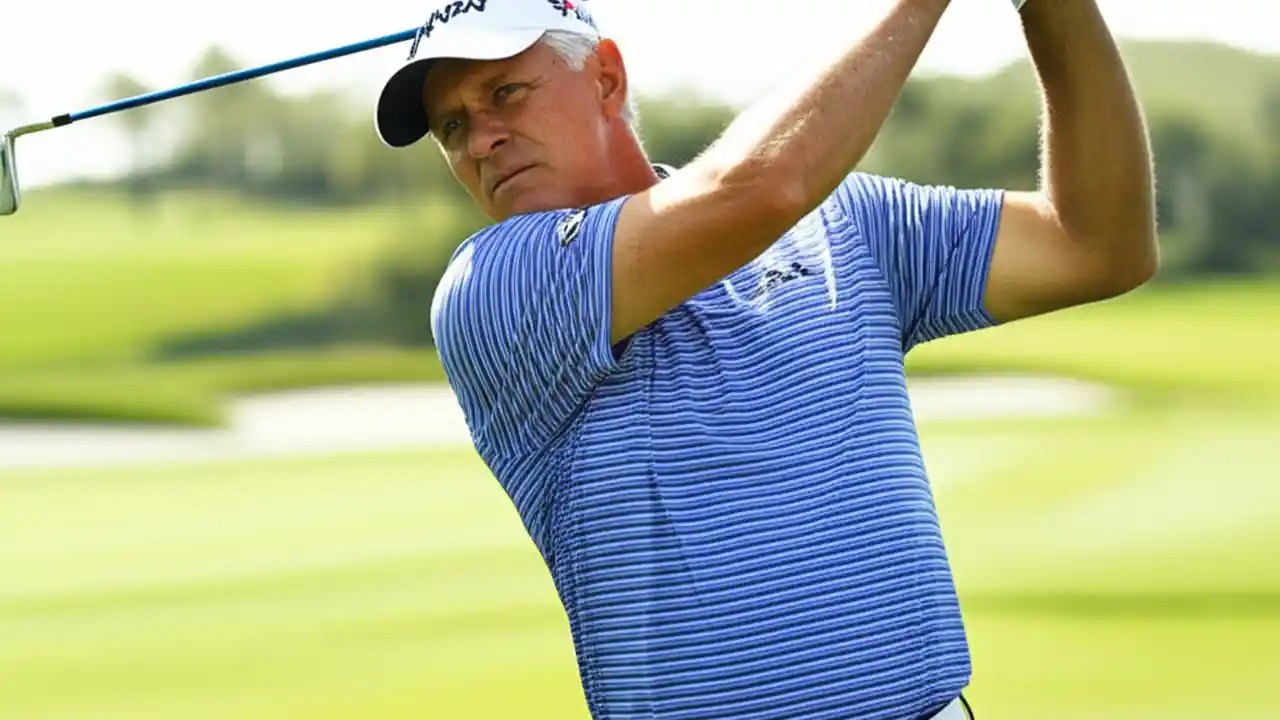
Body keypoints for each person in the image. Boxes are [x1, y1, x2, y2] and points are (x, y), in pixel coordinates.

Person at [374, 0, 1158, 717]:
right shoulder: (493, 288)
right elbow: (765, 186)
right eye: (452, 126)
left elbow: (1097, 246)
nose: (481, 141)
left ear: (606, 78)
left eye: (506, 93)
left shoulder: (846, 221)